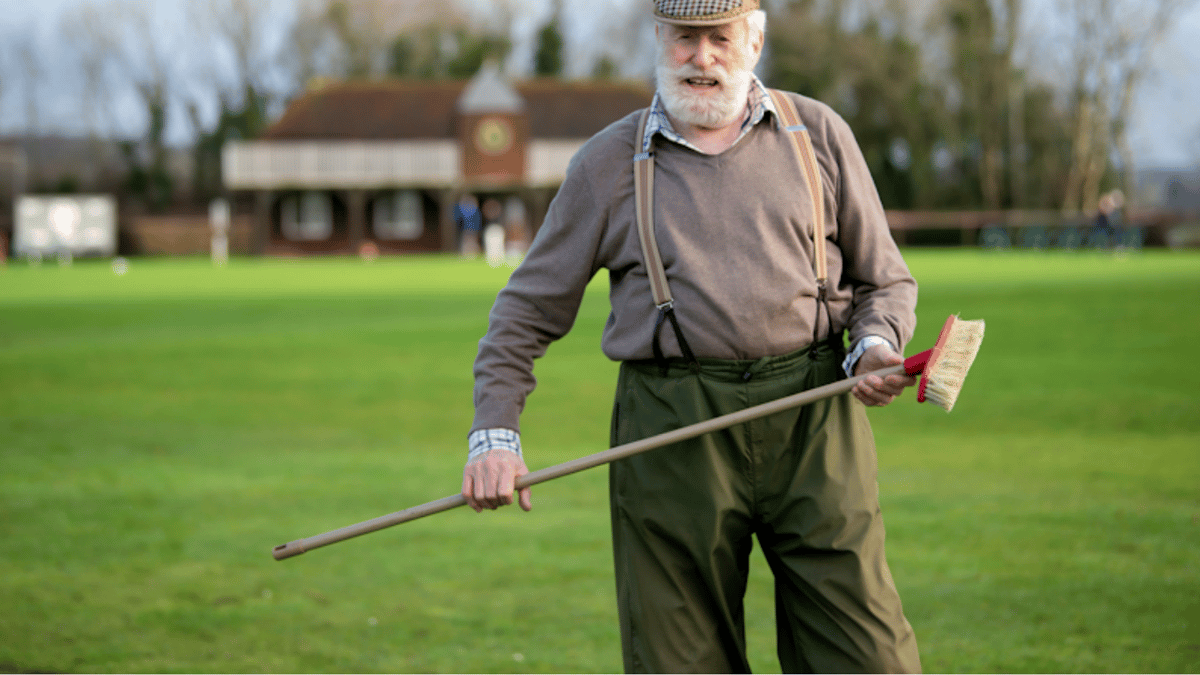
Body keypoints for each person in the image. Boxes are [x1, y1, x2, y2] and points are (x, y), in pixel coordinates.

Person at [462, 1, 922, 671]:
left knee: (868, 655)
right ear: (659, 39)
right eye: (684, 38)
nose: (701, 57)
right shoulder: (607, 163)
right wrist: (494, 435)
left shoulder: (817, 134)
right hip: (671, 429)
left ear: (754, 39)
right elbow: (523, 312)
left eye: (719, 37)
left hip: (813, 416)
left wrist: (875, 345)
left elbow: (886, 281)